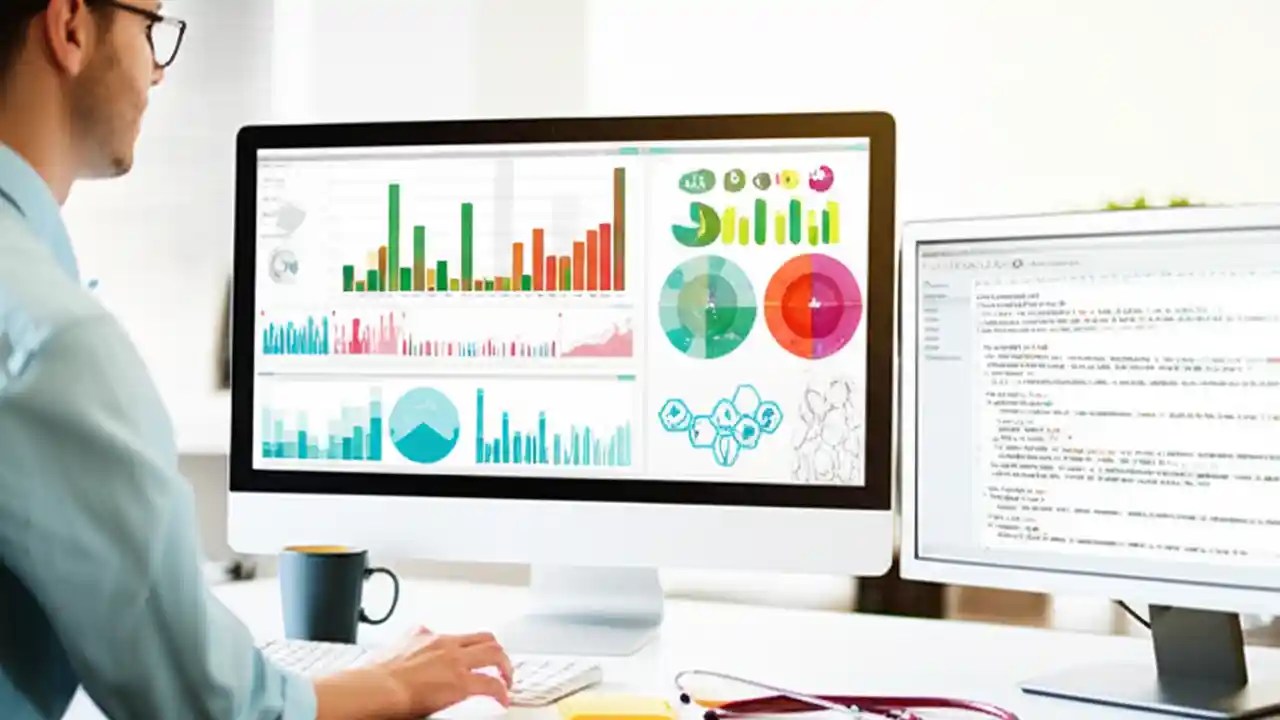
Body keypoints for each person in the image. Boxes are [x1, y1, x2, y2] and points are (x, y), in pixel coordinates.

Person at [0, 1, 513, 717]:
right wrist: (392, 682)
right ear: (71, 27)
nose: (160, 70)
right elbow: (203, 703)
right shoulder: (52, 341)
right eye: (150, 29)